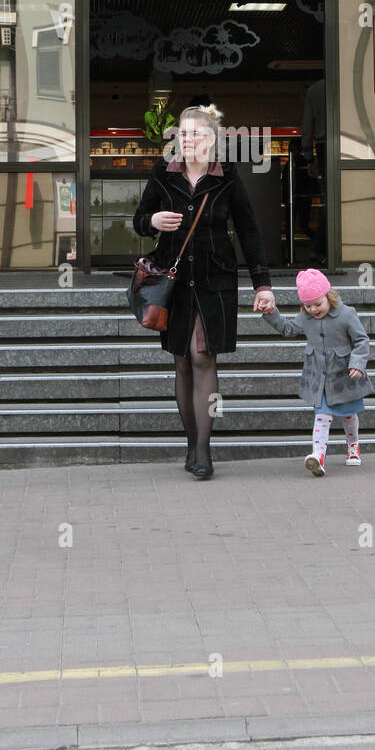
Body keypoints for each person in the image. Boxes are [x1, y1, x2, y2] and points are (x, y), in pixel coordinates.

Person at [132, 103, 275, 480]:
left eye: (195, 133)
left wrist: (263, 284)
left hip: (216, 281)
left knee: (203, 358)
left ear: (211, 140)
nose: (187, 139)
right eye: (182, 133)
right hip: (174, 283)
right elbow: (138, 220)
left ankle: (204, 449)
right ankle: (191, 442)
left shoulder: (227, 176)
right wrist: (153, 220)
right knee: (181, 361)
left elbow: (248, 230)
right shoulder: (163, 172)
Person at [261, 268, 371, 476]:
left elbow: (361, 340)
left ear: (329, 296)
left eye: (317, 304)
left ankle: (353, 444)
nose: (313, 309)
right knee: (322, 416)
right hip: (319, 378)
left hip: (344, 376)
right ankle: (318, 456)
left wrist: (357, 363)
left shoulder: (347, 314)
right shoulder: (306, 317)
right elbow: (287, 328)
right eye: (308, 305)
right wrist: (271, 313)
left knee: (348, 415)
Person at [301, 77, 327, 265]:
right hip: (349, 142)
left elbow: (307, 125)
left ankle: (320, 249)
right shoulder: (346, 85)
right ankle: (322, 248)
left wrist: (309, 157)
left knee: (329, 199)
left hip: (323, 143)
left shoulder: (315, 90)